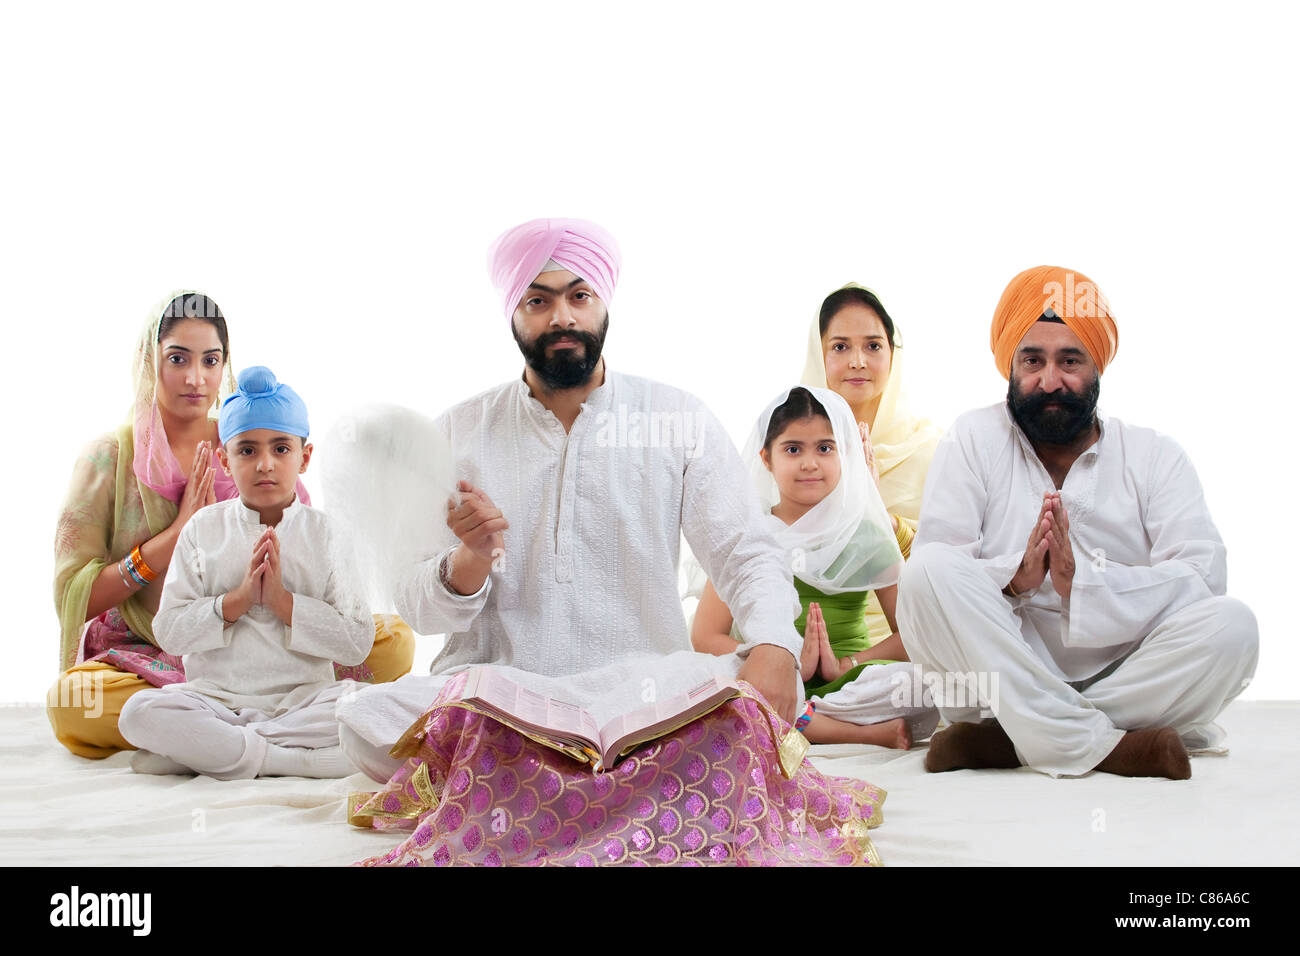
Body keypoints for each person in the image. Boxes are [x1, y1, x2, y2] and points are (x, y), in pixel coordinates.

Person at [336, 219, 888, 865]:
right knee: (365, 720)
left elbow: (745, 550)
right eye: (537, 300)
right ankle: (638, 789)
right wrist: (470, 562)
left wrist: (772, 647)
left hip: (644, 698)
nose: (561, 316)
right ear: (512, 314)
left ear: (604, 303)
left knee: (737, 689)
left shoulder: (676, 419)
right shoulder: (458, 432)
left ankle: (527, 793)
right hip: (502, 698)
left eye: (578, 295)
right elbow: (417, 606)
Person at [897, 265, 1259, 779]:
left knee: (1235, 626)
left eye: (1070, 360)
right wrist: (1014, 579)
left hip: (1125, 674)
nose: (1049, 381)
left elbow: (1203, 576)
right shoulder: (972, 437)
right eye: (1032, 360)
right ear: (1010, 365)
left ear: (1098, 366)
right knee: (926, 568)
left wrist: (1084, 587)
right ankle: (1106, 745)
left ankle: (1015, 739)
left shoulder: (1155, 455)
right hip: (994, 676)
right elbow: (940, 574)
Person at [47, 292, 414, 759]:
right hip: (146, 650)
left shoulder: (252, 432)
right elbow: (75, 598)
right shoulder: (109, 457)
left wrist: (279, 603)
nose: (196, 378)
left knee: (395, 640)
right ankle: (275, 733)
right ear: (148, 361)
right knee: (74, 703)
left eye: (211, 360)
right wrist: (174, 538)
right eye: (177, 359)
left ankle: (215, 740)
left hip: (276, 653)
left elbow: (312, 566)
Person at [119, 367, 372, 778]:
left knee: (372, 712)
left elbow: (357, 643)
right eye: (247, 450)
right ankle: (289, 760)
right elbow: (169, 631)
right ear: (224, 459)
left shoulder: (330, 536)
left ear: (305, 457)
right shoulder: (202, 529)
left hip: (305, 703)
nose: (265, 464)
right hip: (216, 701)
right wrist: (234, 603)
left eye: (281, 449)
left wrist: (283, 603)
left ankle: (213, 754)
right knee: (138, 713)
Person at [692, 386, 937, 748]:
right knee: (708, 686)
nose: (810, 463)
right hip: (767, 674)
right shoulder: (748, 536)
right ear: (766, 458)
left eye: (825, 448)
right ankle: (857, 733)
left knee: (928, 685)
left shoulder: (867, 535)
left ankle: (793, 721)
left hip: (850, 684)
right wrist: (783, 662)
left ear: (845, 455)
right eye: (793, 449)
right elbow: (705, 636)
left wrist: (848, 664)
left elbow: (913, 634)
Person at [799, 283, 941, 644]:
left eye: (873, 346)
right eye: (840, 346)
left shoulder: (931, 450)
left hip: (905, 639)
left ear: (893, 353)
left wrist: (875, 513)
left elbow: (952, 570)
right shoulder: (790, 445)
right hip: (800, 635)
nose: (857, 361)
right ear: (819, 355)